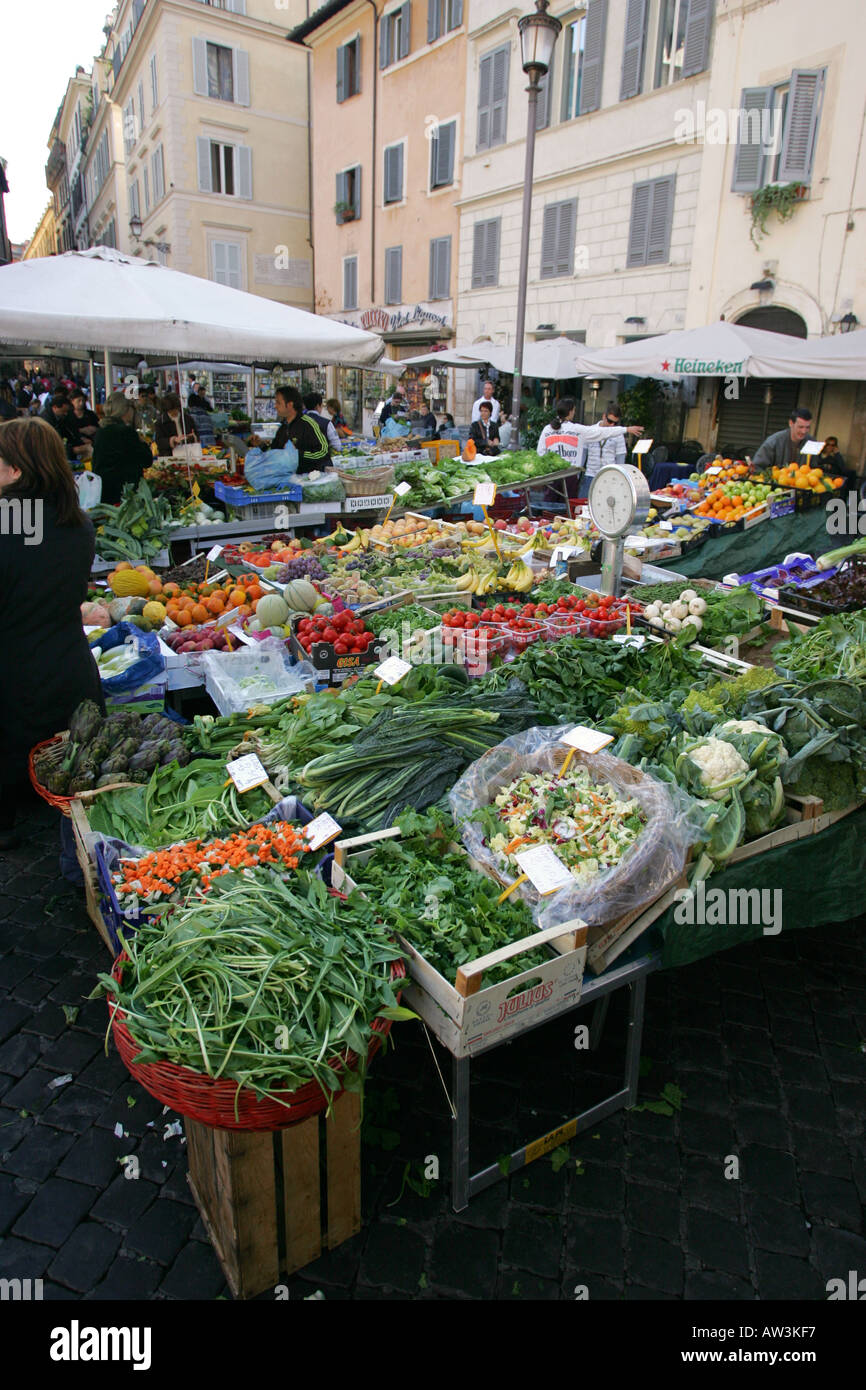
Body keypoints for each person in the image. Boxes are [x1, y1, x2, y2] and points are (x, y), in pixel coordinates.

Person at [0, 418, 103, 856]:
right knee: (69, 770)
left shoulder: (8, 521)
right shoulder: (77, 522)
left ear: (18, 470)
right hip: (69, 669)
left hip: (12, 675)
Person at [92, 391, 154, 504]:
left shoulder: (101, 432)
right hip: (125, 494)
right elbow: (146, 460)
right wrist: (143, 442)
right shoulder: (126, 432)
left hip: (105, 492)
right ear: (125, 409)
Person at [537, 397, 643, 458]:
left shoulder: (548, 428)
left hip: (550, 476)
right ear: (570, 412)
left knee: (548, 498)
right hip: (569, 476)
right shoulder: (577, 429)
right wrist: (626, 429)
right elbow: (601, 433)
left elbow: (540, 452)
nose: (574, 413)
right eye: (574, 410)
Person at [264, 385, 331, 473]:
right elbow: (274, 451)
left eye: (278, 403)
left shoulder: (308, 424)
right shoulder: (283, 427)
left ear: (290, 405)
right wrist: (262, 446)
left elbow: (324, 452)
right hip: (288, 480)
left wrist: (298, 454)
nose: (275, 406)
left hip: (309, 480)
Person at [581, 403, 627, 482]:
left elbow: (620, 457)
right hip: (590, 474)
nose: (612, 425)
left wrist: (619, 476)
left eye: (615, 423)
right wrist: (579, 472)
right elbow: (583, 453)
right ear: (604, 416)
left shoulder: (618, 434)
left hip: (609, 475)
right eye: (610, 421)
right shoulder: (591, 430)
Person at [154, 392, 200, 456]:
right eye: (171, 410)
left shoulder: (187, 419)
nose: (174, 412)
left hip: (188, 454)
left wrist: (191, 437)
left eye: (176, 409)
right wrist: (173, 440)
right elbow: (159, 441)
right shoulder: (160, 422)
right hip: (168, 455)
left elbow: (197, 435)